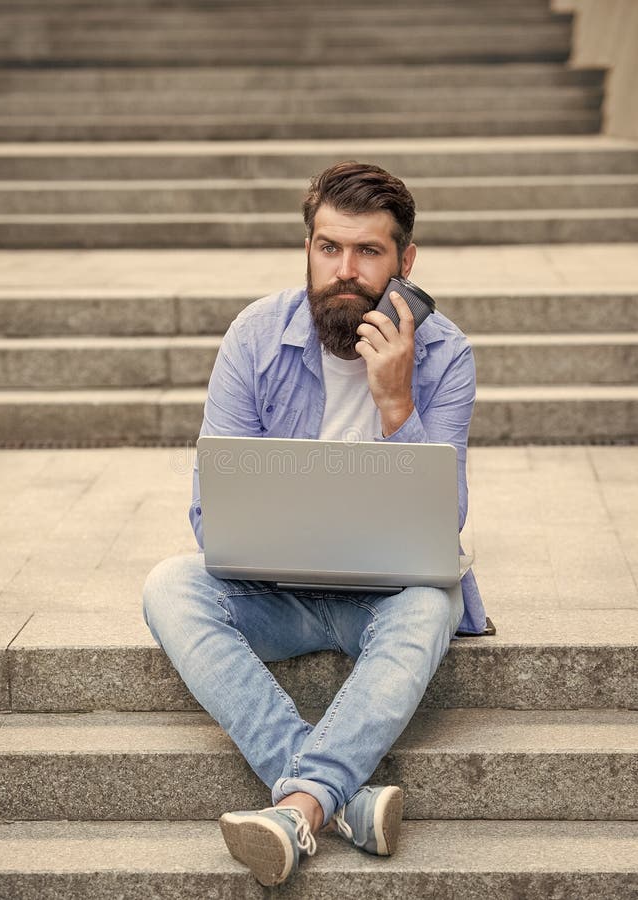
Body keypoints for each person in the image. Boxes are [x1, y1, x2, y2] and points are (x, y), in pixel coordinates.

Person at [142, 161, 486, 887]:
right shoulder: (255, 337)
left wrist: (396, 401)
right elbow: (210, 512)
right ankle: (338, 801)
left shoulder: (445, 353)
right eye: (328, 248)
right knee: (171, 585)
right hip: (279, 595)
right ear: (306, 248)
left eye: (368, 252)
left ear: (404, 262)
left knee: (433, 602)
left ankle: (296, 806)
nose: (345, 270)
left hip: (388, 599)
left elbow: (442, 522)